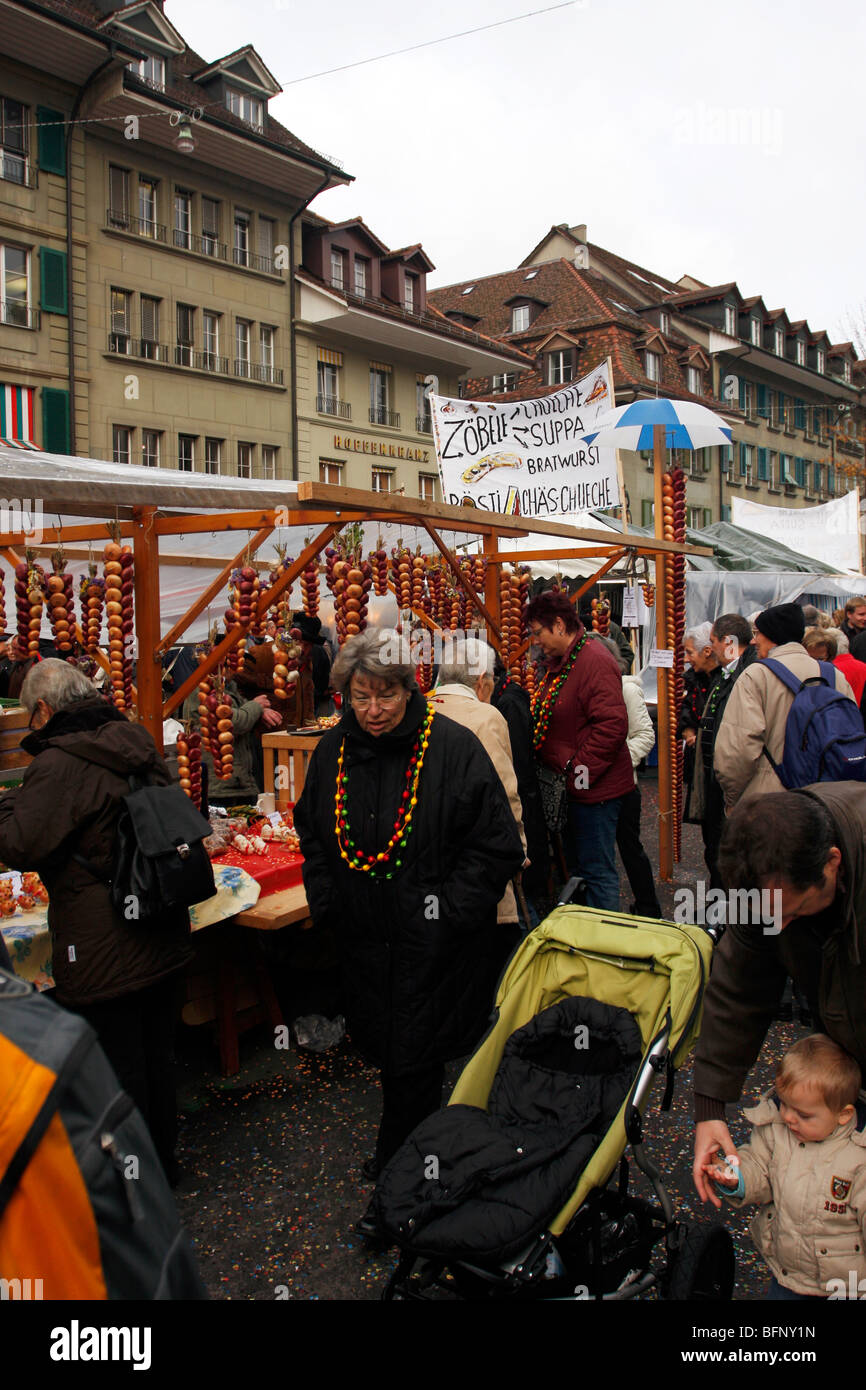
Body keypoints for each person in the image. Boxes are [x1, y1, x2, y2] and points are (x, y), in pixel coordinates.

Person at [293, 630, 524, 1229]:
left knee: (415, 1065)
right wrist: (328, 899)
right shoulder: (333, 753)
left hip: (433, 945)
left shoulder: (451, 747)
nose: (371, 710)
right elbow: (313, 834)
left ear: (409, 688)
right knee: (392, 1053)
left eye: (385, 696)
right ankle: (408, 1158)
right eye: (360, 696)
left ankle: (399, 1197)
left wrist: (447, 912)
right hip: (363, 941)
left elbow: (496, 846)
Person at [0, 660, 193, 1182]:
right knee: (156, 1054)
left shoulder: (58, 763)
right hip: (159, 922)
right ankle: (162, 1164)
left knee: (117, 1066)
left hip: (103, 945)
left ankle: (133, 1182)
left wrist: (6, 808)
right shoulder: (134, 737)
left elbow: (22, 844)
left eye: (27, 714)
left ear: (43, 709)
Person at [691, 785, 866, 1212]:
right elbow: (738, 987)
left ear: (832, 864)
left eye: (792, 910)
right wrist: (709, 1108)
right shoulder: (766, 879)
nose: (779, 926)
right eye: (770, 915)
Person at [703, 1034, 865, 1301]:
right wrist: (735, 1177)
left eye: (803, 1114)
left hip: (847, 1286)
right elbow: (759, 1165)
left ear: (843, 1114)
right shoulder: (777, 1130)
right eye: (785, 1104)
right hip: (788, 1275)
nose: (789, 1117)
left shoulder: (859, 1156)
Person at [525, 590, 632, 911]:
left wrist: (576, 774)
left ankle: (606, 946)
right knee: (580, 871)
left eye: (537, 633)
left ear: (559, 625)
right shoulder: (560, 662)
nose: (535, 641)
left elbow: (611, 726)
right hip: (575, 790)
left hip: (594, 793)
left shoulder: (594, 660)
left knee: (596, 873)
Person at [429, 637, 527, 934]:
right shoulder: (487, 717)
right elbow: (505, 791)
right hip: (477, 854)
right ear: (481, 679)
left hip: (426, 856)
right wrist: (519, 849)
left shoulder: (418, 709)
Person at [714, 602, 854, 808]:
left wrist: (734, 800)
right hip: (827, 797)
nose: (753, 640)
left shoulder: (755, 676)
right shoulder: (834, 675)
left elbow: (737, 751)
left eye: (757, 633)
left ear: (773, 635)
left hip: (770, 801)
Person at [589, 634, 660, 918]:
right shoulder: (589, 688)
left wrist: (614, 763)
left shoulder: (627, 690)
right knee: (601, 852)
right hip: (593, 785)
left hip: (624, 786)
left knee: (629, 848)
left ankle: (649, 907)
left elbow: (645, 735)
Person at [491, 655, 550, 907]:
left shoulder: (509, 702)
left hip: (521, 793)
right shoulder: (508, 697)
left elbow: (515, 762)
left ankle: (531, 911)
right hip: (523, 791)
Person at [186, 672, 282, 806]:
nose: (237, 669)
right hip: (221, 785)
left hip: (239, 780)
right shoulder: (201, 690)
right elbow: (231, 721)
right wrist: (256, 706)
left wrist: (260, 711)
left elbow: (241, 710)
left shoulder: (229, 687)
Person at [803, 625, 866, 716]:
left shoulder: (837, 676)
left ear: (830, 656)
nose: (814, 663)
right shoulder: (802, 674)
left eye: (820, 659)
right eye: (810, 658)